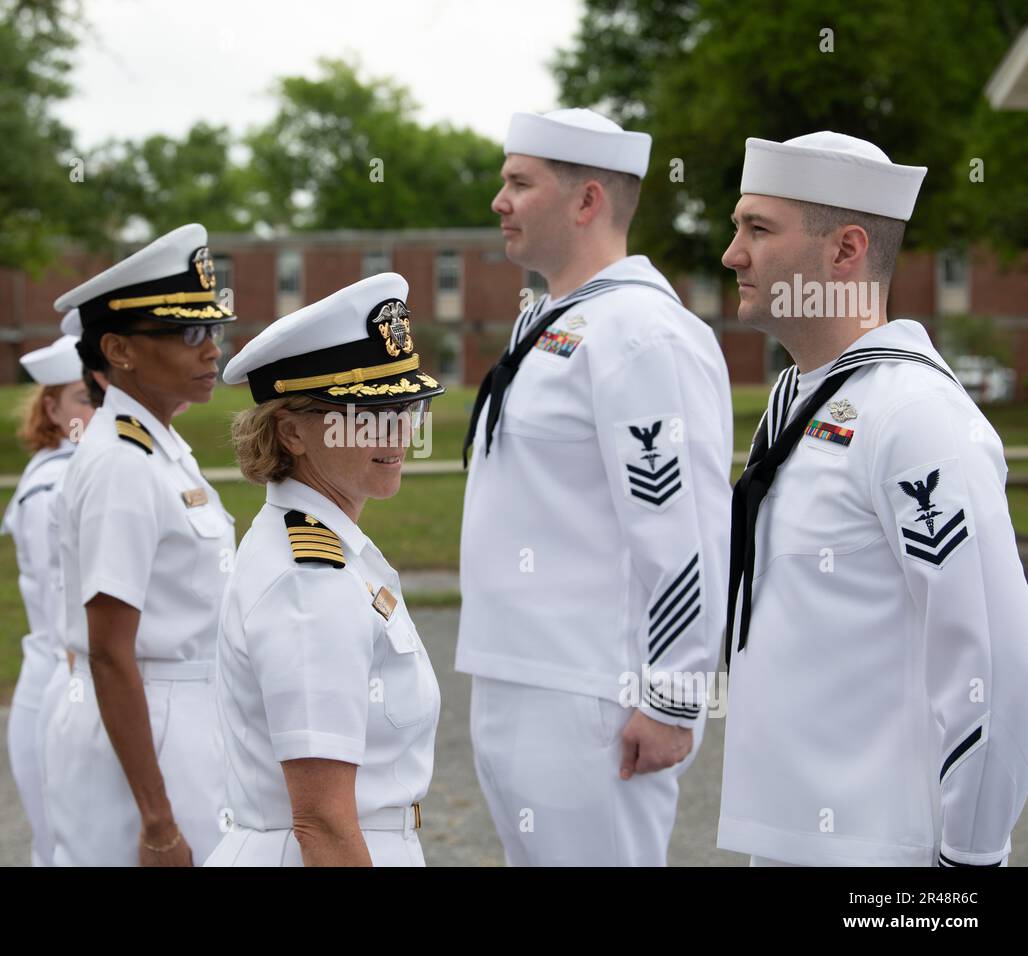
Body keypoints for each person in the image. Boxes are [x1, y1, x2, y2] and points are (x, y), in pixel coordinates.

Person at [719, 131, 1028, 866]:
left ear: (845, 250)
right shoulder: (804, 396)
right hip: (795, 839)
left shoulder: (915, 414)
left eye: (758, 228)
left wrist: (971, 860)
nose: (733, 254)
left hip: (883, 857)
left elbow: (995, 654)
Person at [455, 108, 734, 866]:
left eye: (519, 182)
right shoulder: (546, 324)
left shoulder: (643, 333)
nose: (498, 200)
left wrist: (674, 695)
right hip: (513, 671)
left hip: (591, 690)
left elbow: (684, 528)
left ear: (587, 202)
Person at [207, 273, 443, 866]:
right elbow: (323, 822)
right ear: (291, 430)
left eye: (407, 404)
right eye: (368, 411)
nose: (399, 430)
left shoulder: (326, 551)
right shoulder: (309, 581)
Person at [45, 223, 237, 866]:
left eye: (211, 330)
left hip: (181, 714)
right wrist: (157, 822)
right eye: (187, 334)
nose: (211, 350)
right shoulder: (123, 464)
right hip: (147, 723)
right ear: (119, 350)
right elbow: (108, 651)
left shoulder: (158, 448)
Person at [1, 331, 95, 866]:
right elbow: (66, 609)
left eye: (99, 394)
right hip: (60, 682)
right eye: (83, 398)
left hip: (81, 678)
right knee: (63, 850)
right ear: (52, 408)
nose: (96, 409)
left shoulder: (87, 469)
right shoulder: (50, 490)